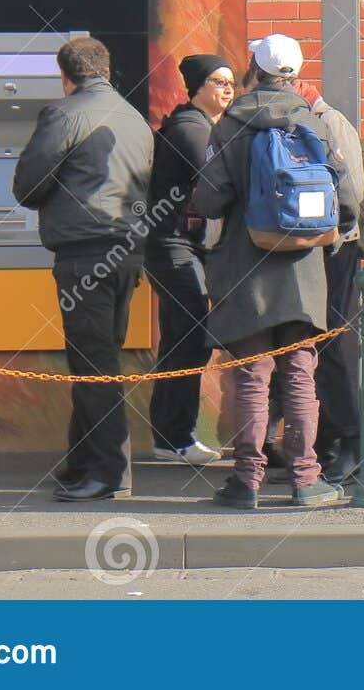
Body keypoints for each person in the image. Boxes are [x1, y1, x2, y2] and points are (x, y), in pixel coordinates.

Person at [193, 34, 359, 510]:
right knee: (300, 373)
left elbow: (208, 199)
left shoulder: (230, 125)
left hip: (243, 269)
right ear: (296, 75)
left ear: (254, 69)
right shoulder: (316, 124)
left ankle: (246, 483)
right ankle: (307, 480)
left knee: (251, 376)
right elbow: (347, 203)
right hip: (304, 272)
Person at [13, 36, 153, 503]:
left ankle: (110, 474)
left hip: (85, 253)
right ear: (106, 69)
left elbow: (27, 185)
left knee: (93, 365)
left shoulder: (65, 114)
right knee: (98, 358)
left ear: (66, 75)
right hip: (126, 253)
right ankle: (82, 462)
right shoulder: (134, 118)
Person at [145, 52, 234, 465]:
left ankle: (169, 436)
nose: (228, 88)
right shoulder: (190, 129)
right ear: (197, 87)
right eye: (218, 81)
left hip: (183, 245)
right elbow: (218, 181)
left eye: (231, 81)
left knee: (181, 339)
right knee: (190, 338)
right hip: (173, 245)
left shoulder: (199, 126)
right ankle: (176, 437)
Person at [295, 80, 364, 486]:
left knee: (331, 342)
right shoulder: (319, 121)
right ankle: (327, 443)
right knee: (318, 342)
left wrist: (331, 232)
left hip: (336, 247)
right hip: (327, 245)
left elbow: (351, 191)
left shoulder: (329, 123)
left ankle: (351, 441)